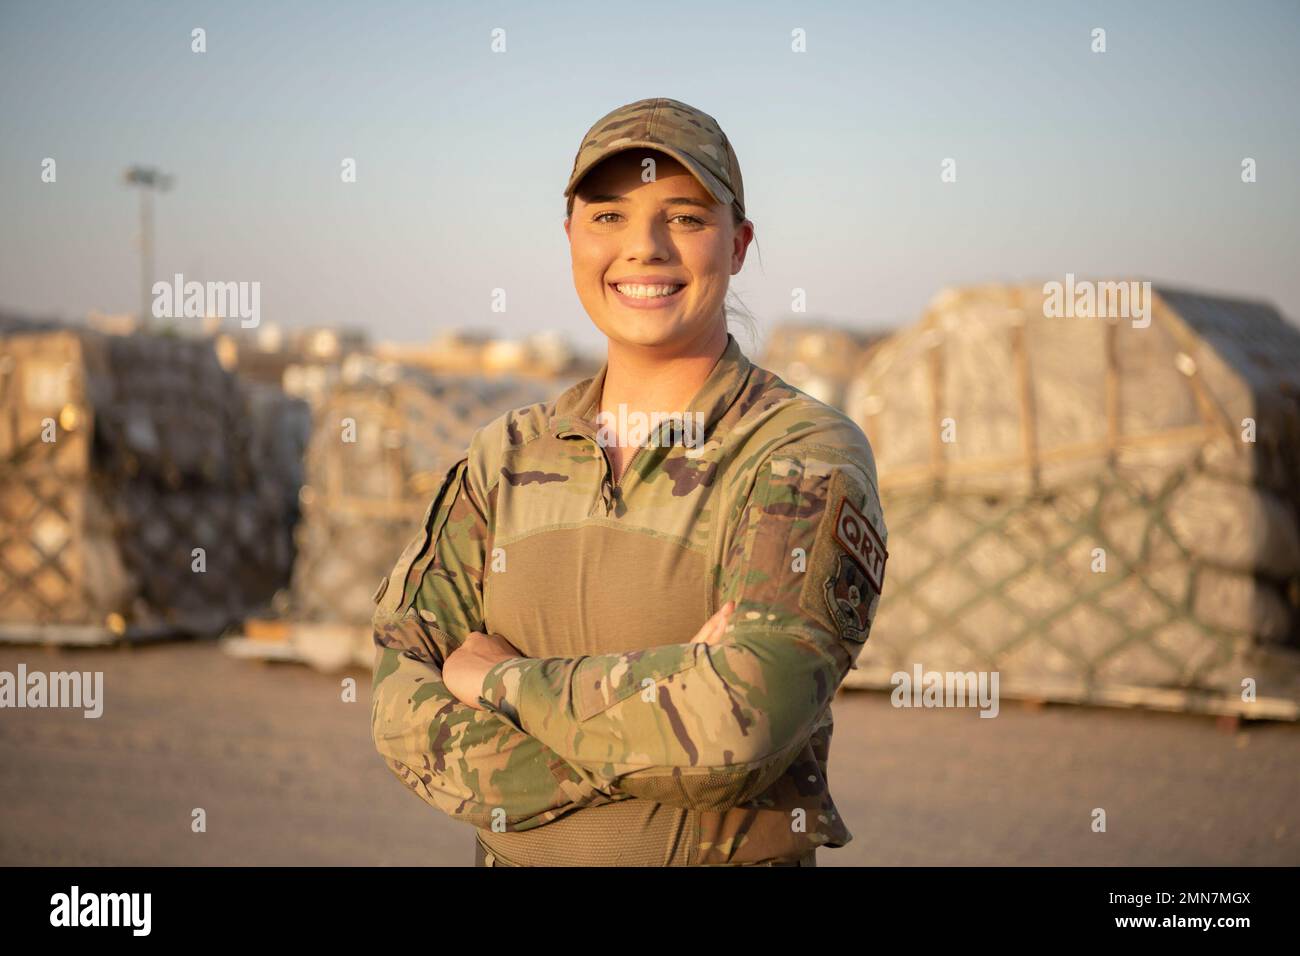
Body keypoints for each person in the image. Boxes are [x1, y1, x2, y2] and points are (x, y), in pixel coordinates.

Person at [369, 97, 888, 867]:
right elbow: (397, 706)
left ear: (738, 244)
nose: (643, 248)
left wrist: (500, 683)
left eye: (683, 217)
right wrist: (660, 714)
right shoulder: (504, 456)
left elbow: (736, 728)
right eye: (608, 216)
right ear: (571, 238)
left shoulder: (799, 454)